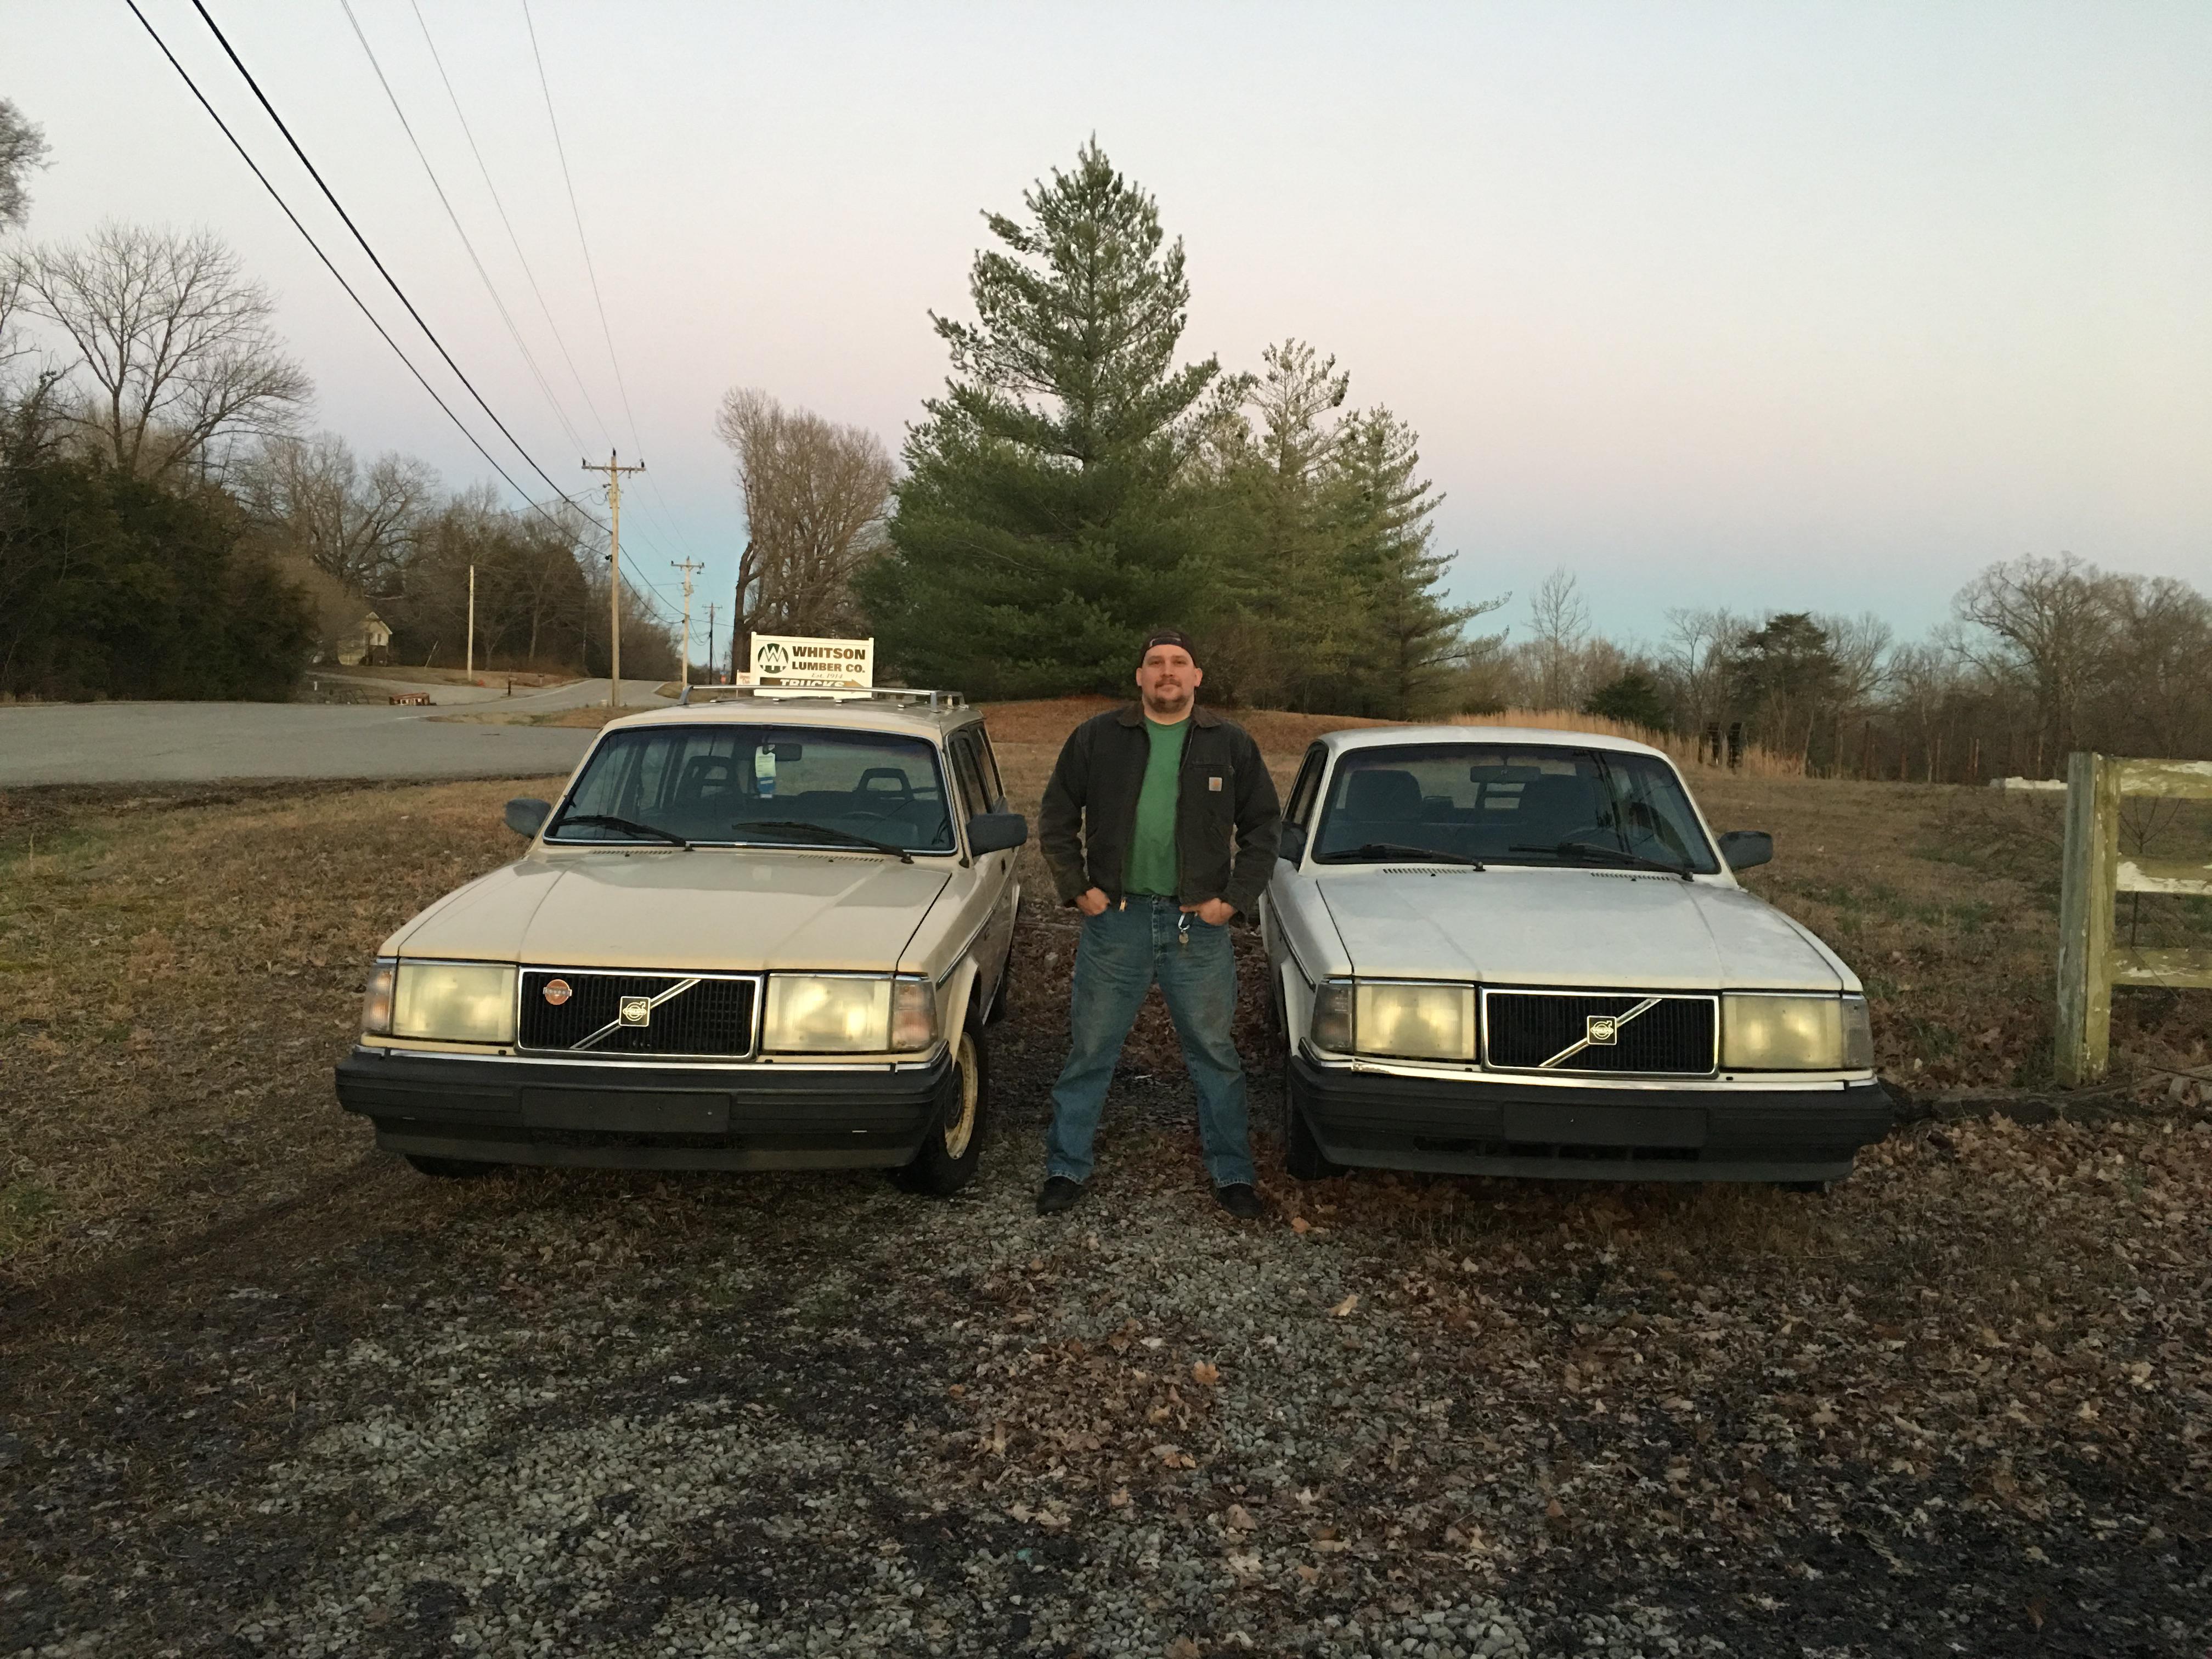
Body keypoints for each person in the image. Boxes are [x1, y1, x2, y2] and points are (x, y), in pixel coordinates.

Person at [1035, 629, 1282, 1218]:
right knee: (1091, 1048)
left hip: (1197, 925)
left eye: (1178, 663)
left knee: (1214, 1054)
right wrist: (1077, 888)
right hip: (1115, 922)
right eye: (1155, 664)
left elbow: (1264, 830)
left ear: (1197, 677)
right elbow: (1055, 816)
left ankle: (1232, 1175)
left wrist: (1234, 900)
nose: (1167, 672)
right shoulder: (1099, 738)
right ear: (1140, 677)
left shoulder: (1230, 744)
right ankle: (1065, 1166)